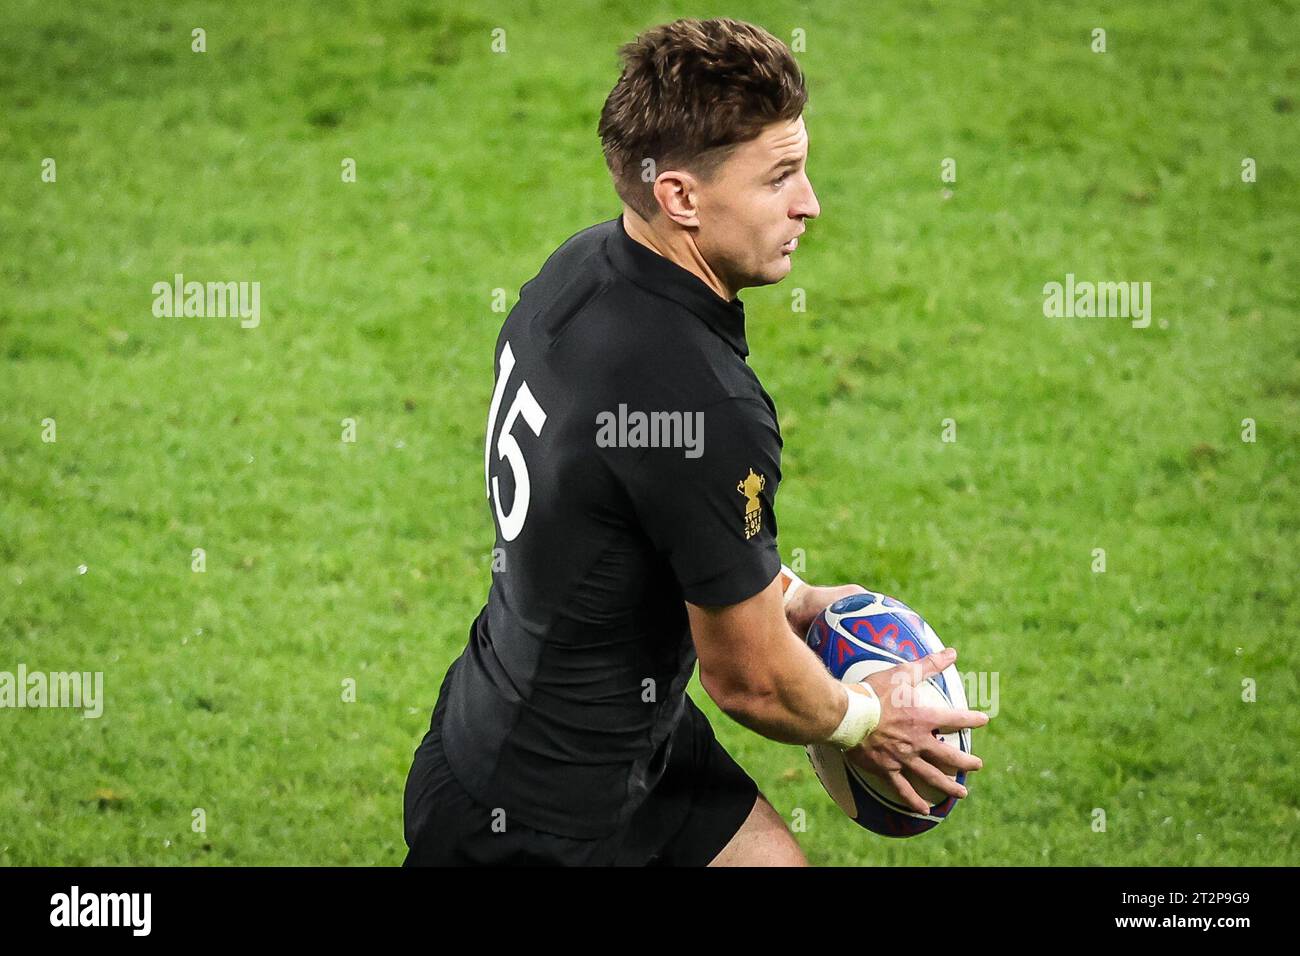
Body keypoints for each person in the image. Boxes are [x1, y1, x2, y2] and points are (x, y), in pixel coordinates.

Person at [404, 16, 988, 867]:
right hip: (543, 819)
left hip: (576, 723)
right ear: (680, 196)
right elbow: (748, 678)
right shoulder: (703, 406)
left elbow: (625, 508)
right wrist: (867, 721)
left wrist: (786, 592)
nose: (810, 203)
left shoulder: (580, 269)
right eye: (781, 176)